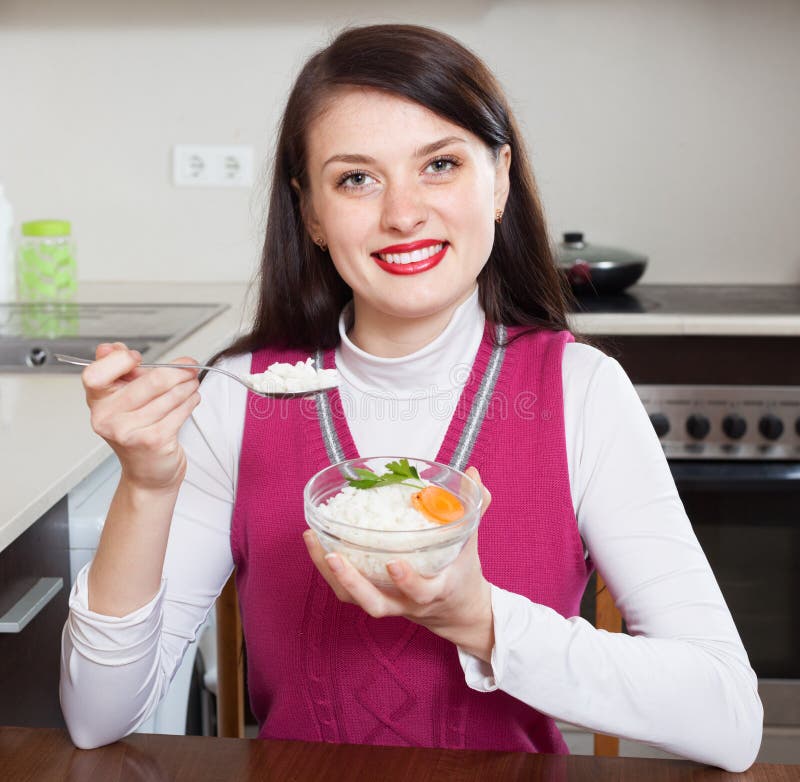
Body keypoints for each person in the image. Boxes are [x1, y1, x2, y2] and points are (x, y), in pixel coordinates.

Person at [59, 24, 762, 771]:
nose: (403, 213)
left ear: (498, 179)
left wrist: (479, 619)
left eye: (440, 165)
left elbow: (728, 718)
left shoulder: (580, 392)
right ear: (312, 214)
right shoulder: (240, 398)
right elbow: (97, 720)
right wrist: (145, 485)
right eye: (356, 179)